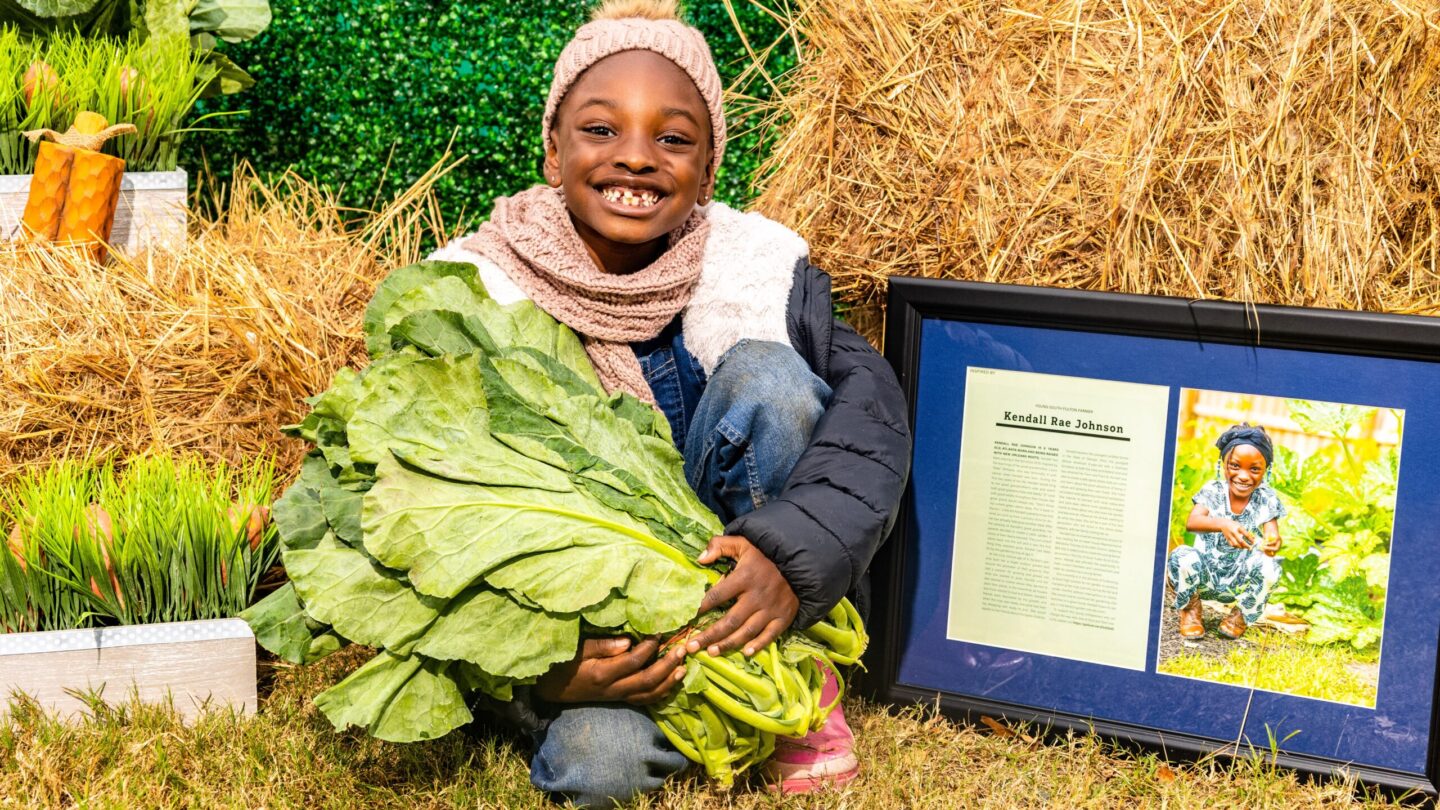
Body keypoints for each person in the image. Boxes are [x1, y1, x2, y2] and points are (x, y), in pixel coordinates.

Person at [427, 0, 911, 804]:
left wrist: (788, 561)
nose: (638, 157)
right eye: (600, 130)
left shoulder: (756, 275)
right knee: (597, 769)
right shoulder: (479, 294)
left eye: (674, 138)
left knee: (769, 378)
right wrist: (550, 669)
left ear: (710, 167)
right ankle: (677, 705)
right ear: (552, 150)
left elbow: (872, 424)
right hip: (593, 620)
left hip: (745, 581)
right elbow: (435, 514)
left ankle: (785, 671)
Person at [1167, 423, 1285, 641]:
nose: (1243, 476)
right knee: (1181, 556)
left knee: (1272, 568)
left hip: (1239, 577)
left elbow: (1272, 536)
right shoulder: (1213, 491)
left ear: (1266, 470)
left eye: (1254, 469)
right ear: (1223, 464)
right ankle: (1191, 609)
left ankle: (1240, 615)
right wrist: (1223, 524)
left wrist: (1272, 543)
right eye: (1235, 466)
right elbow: (1193, 521)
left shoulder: (1267, 499)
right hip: (1206, 572)